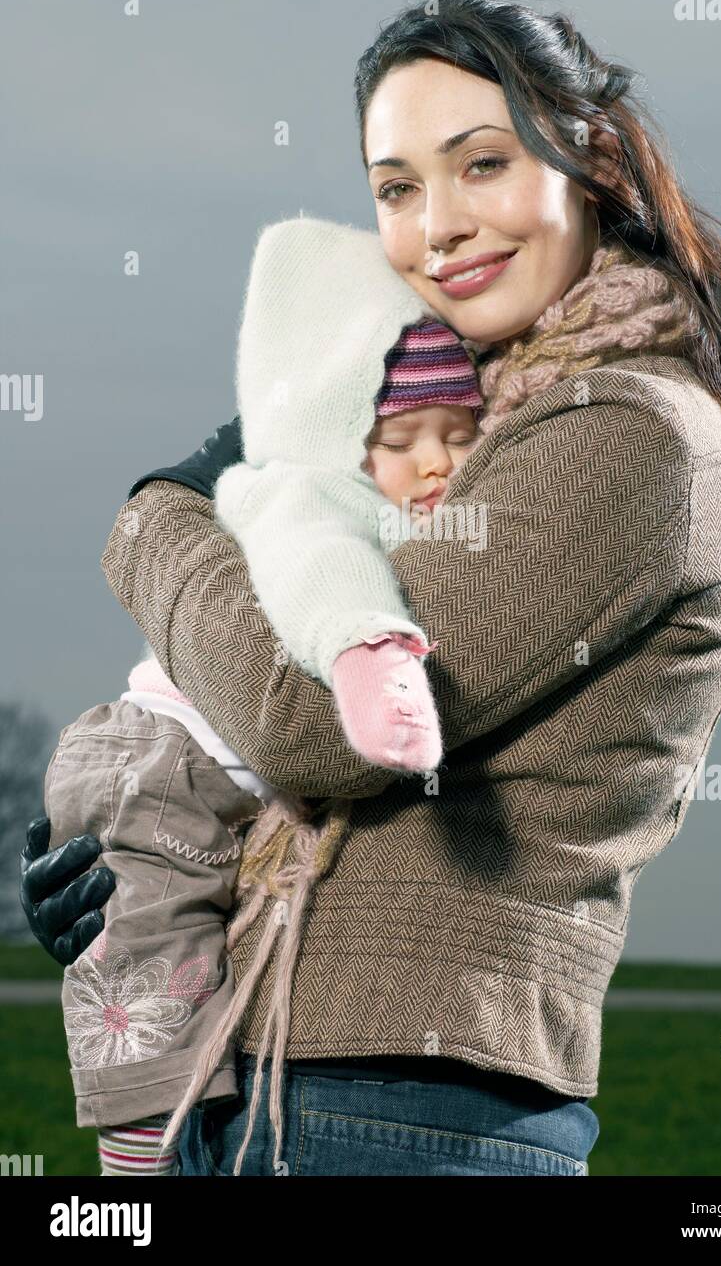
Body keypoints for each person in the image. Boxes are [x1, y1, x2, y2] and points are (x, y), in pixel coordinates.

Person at [21, 0, 721, 1177]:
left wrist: (161, 513)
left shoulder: (629, 432)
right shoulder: (462, 427)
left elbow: (306, 726)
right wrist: (143, 863)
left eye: (480, 163)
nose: (436, 225)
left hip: (402, 1111)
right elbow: (264, 707)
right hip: (268, 1077)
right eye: (396, 187)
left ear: (586, 163)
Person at [41, 294, 484, 1175]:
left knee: (161, 940)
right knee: (147, 945)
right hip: (165, 759)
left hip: (195, 769)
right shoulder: (322, 526)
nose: (434, 463)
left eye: (461, 435)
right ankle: (134, 1149)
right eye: (399, 442)